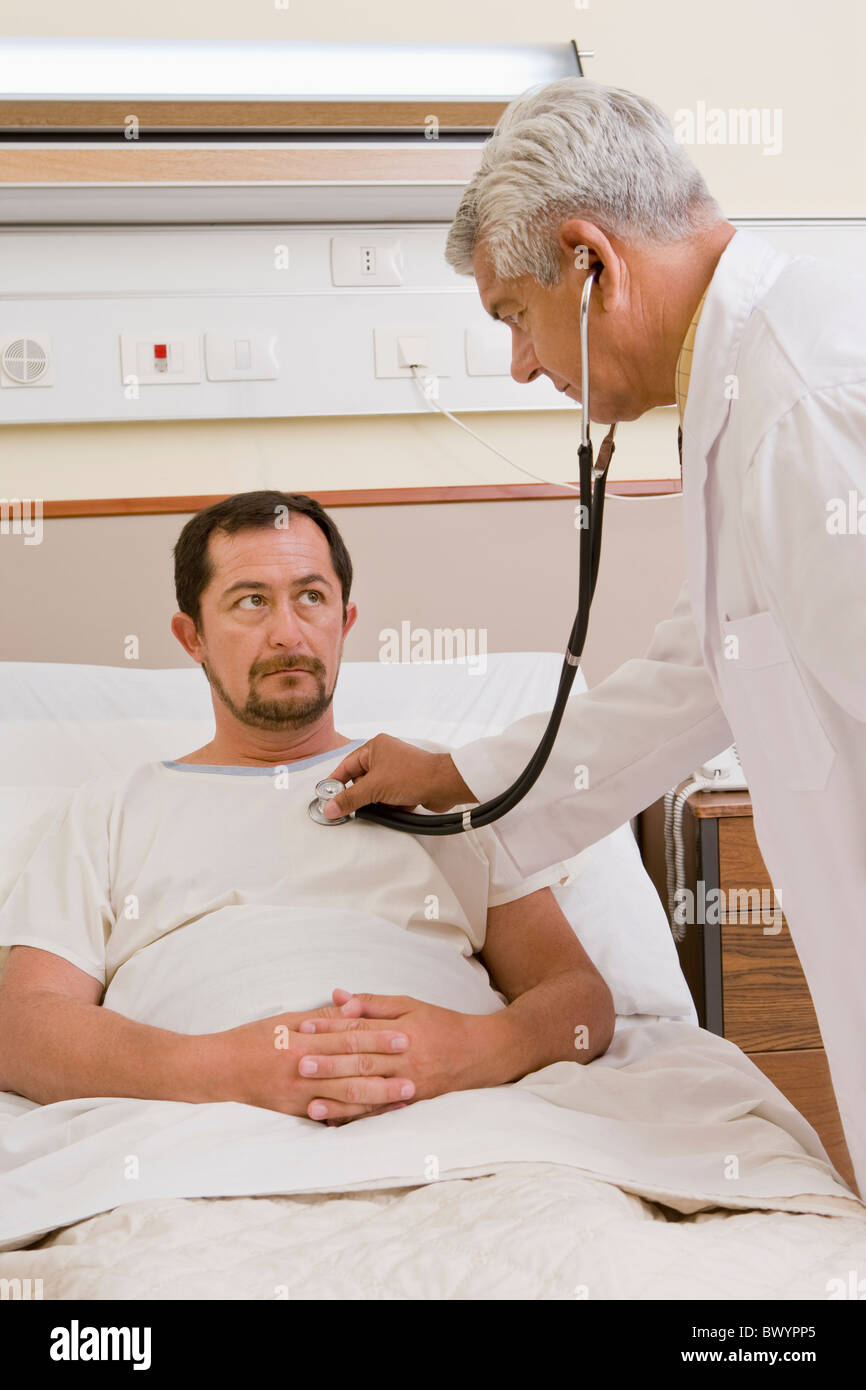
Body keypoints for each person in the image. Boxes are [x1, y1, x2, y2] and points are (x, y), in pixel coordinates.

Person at [319, 78, 866, 1195]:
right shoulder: (741, 395)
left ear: (589, 264)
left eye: (511, 314)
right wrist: (464, 774)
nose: (521, 364)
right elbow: (689, 678)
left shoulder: (801, 398)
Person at [0, 490, 613, 1128]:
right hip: (190, 1138)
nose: (287, 633)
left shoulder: (439, 783)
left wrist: (479, 1050)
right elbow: (22, 1029)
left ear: (344, 622)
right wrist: (218, 1070)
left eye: (311, 597)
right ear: (194, 638)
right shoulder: (112, 810)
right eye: (251, 601)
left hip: (461, 1124)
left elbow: (578, 998)